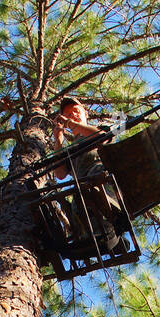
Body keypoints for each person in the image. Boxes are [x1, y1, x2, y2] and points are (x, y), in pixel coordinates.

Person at [49, 96, 126, 251]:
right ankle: (98, 237)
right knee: (78, 203)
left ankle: (112, 231)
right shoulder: (70, 149)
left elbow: (102, 138)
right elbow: (60, 173)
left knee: (94, 182)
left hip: (102, 177)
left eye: (76, 112)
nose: (72, 116)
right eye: (68, 115)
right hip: (84, 187)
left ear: (85, 113)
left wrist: (72, 124)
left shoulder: (98, 128)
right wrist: (58, 140)